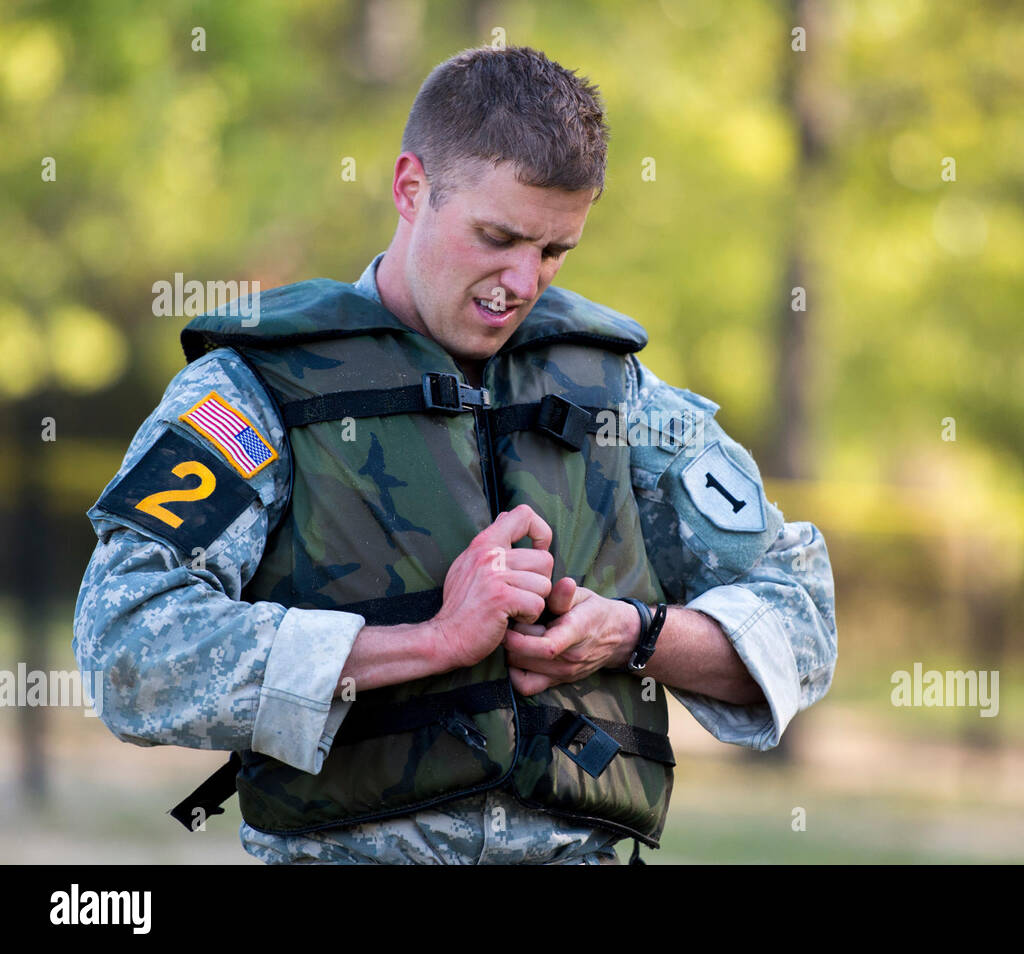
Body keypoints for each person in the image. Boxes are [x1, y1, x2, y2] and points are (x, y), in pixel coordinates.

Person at [73, 45, 836, 864]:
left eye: (553, 251)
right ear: (410, 188)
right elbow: (127, 644)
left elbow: (801, 623)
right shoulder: (256, 391)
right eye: (495, 236)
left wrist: (632, 635)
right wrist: (434, 640)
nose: (521, 280)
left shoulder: (622, 398)